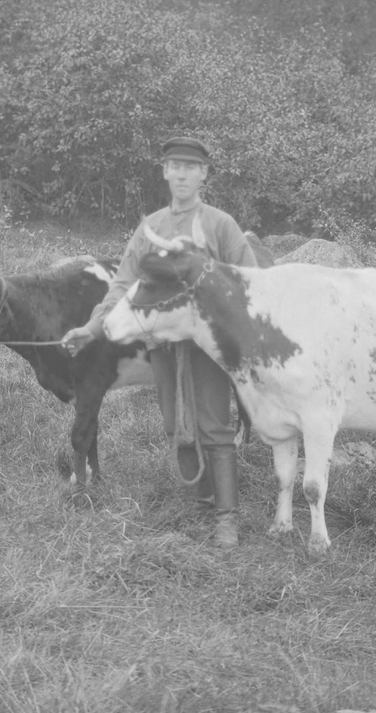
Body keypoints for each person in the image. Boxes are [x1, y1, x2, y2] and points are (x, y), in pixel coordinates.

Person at [61, 136, 259, 547]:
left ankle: (227, 517)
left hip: (207, 348)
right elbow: (122, 287)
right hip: (161, 347)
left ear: (204, 174)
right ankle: (200, 502)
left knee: (213, 426)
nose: (182, 175)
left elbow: (251, 282)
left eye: (191, 168)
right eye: (175, 167)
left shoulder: (220, 224)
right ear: (165, 172)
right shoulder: (150, 229)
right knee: (175, 425)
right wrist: (93, 328)